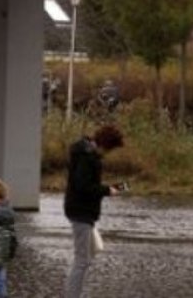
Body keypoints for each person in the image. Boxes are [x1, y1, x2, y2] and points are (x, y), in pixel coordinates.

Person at [64, 124, 125, 298]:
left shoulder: (86, 154)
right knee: (82, 260)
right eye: (110, 150)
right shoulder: (87, 157)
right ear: (106, 145)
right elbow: (83, 186)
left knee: (86, 258)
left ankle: (74, 293)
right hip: (80, 211)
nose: (108, 154)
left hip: (82, 211)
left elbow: (84, 185)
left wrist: (106, 189)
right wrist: (107, 190)